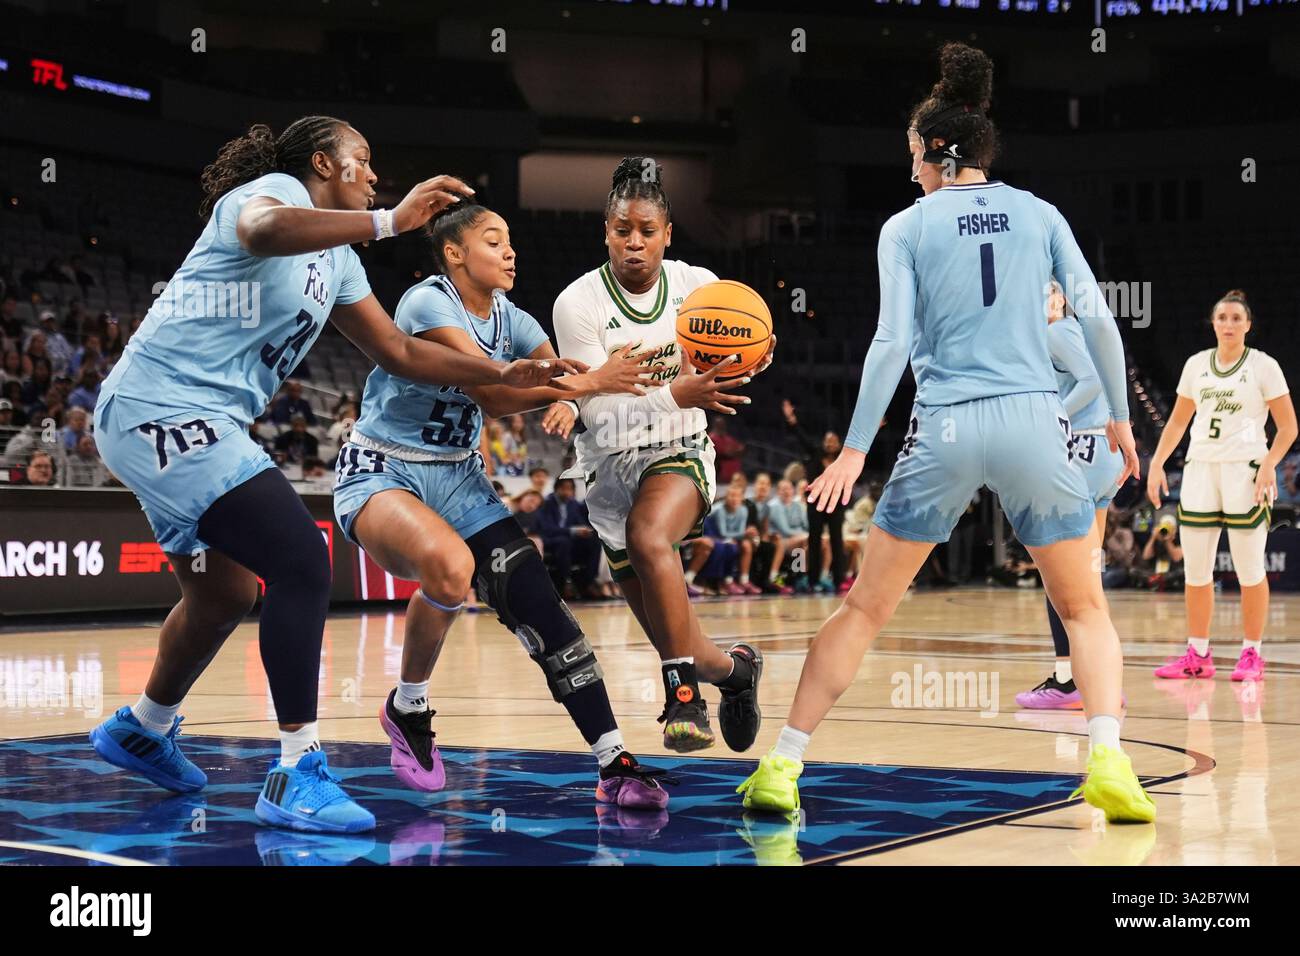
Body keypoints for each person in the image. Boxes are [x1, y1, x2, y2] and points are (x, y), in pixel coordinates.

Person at [88, 116, 574, 834]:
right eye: (364, 163)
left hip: (192, 422)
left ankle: (143, 728)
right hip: (161, 408)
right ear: (325, 163)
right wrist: (388, 220)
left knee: (222, 594)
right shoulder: (269, 194)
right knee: (301, 562)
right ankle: (296, 771)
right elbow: (261, 230)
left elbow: (400, 354)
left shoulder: (340, 256)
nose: (376, 176)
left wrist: (501, 369)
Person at [736, 43, 1153, 824]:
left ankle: (782, 766)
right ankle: (1109, 760)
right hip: (1037, 422)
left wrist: (856, 449)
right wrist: (1123, 423)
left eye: (913, 158)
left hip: (948, 428)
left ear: (936, 151)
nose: (911, 172)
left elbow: (892, 342)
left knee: (863, 609)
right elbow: (1097, 317)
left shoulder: (907, 226)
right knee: (1087, 608)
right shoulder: (1042, 212)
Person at [333, 198, 672, 807]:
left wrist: (577, 392)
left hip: (460, 479)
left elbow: (561, 369)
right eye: (494, 241)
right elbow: (490, 388)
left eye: (511, 240)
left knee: (542, 608)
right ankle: (408, 706)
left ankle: (613, 760)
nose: (510, 251)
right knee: (450, 568)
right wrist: (580, 384)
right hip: (383, 468)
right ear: (455, 253)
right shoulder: (426, 301)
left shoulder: (512, 316)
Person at [550, 156, 772, 753]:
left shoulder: (700, 287)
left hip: (678, 449)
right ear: (606, 230)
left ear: (667, 233)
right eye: (623, 230)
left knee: (653, 537)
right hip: (608, 469)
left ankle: (681, 701)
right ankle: (734, 672)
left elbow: (735, 359)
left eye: (647, 231)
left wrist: (754, 356)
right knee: (685, 644)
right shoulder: (578, 304)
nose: (634, 243)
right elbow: (595, 414)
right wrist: (674, 389)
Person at [1147, 290, 1296, 681]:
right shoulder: (1196, 365)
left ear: (1247, 325)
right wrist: (1157, 462)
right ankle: (1198, 654)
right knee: (1196, 571)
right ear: (1212, 324)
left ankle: (1252, 654)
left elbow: (1288, 427)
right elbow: (1178, 422)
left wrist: (1269, 465)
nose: (1228, 324)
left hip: (1245, 470)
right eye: (1222, 318)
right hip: (1200, 469)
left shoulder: (1264, 366)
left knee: (1249, 569)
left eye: (1235, 318)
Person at [1016, 280, 1127, 709]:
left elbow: (1089, 383)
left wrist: (1050, 416)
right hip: (1104, 452)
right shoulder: (1080, 331)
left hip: (1080, 450)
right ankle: (1101, 679)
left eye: (1048, 294)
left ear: (1061, 300)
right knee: (1087, 574)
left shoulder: (1055, 332)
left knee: (1060, 572)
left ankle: (1068, 679)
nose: (1041, 302)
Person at [783, 399, 847, 593]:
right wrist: (791, 419)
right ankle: (812, 581)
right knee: (814, 541)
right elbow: (800, 436)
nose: (830, 444)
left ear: (838, 445)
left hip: (835, 503)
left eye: (833, 441)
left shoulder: (843, 459)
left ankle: (839, 580)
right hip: (816, 503)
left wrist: (874, 429)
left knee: (837, 542)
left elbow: (860, 447)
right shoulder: (815, 453)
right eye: (827, 441)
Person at [538, 477, 603, 599]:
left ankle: (589, 581)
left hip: (569, 540)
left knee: (594, 541)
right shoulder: (547, 503)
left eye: (570, 489)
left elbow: (580, 523)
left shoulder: (573, 504)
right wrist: (572, 531)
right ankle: (566, 583)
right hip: (550, 539)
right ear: (556, 489)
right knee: (564, 542)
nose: (567, 492)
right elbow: (547, 528)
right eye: (564, 488)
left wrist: (586, 531)